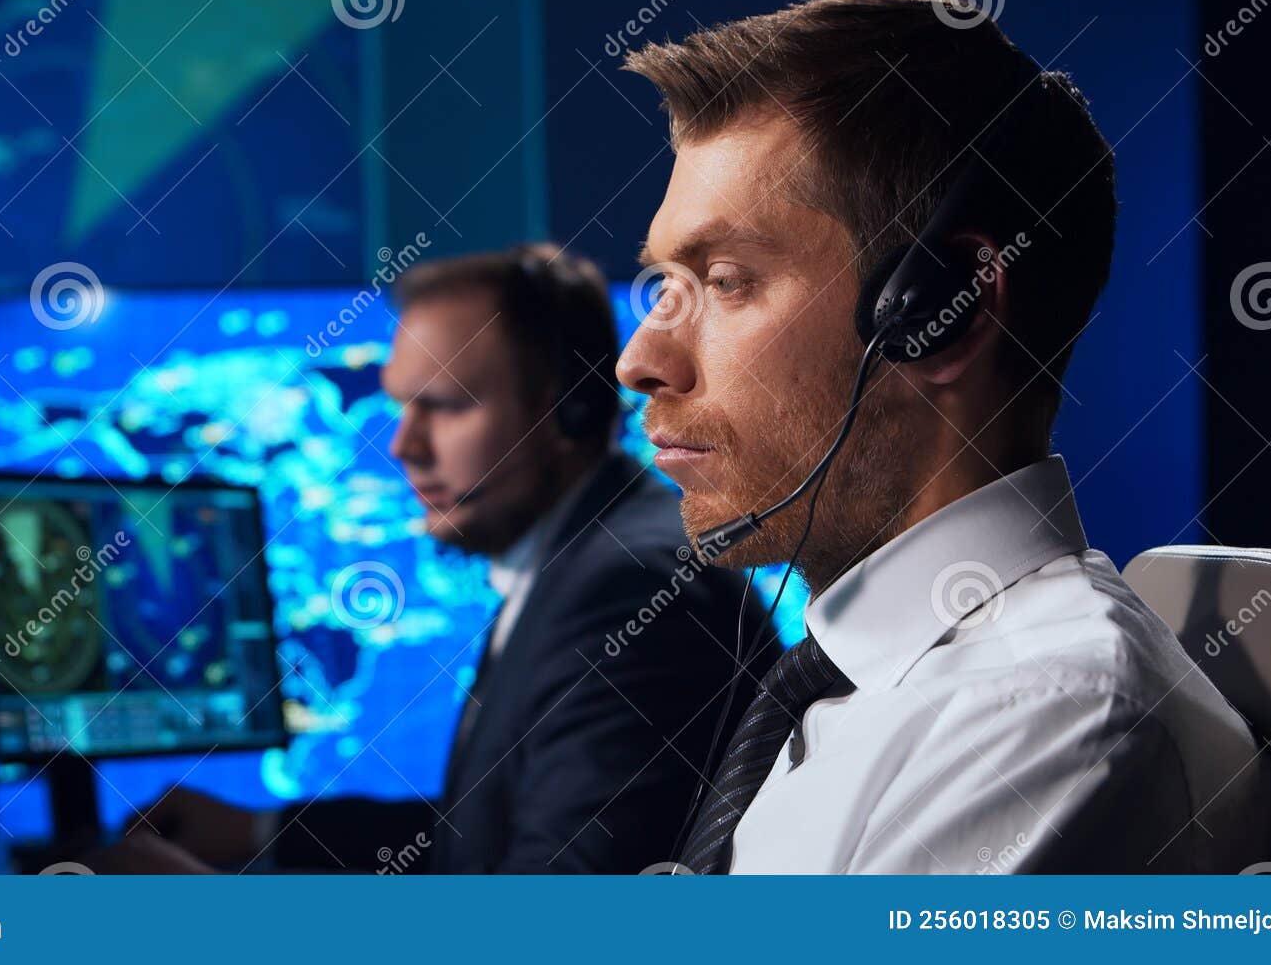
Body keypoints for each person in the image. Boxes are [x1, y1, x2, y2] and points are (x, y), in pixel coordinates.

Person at [614, 0, 1271, 873]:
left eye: (727, 280)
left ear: (940, 314)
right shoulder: (852, 677)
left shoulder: (1049, 721)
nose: (640, 359)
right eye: (663, 282)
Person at [100, 242, 775, 874]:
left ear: (568, 411)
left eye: (445, 407)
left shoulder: (631, 591)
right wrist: (260, 838)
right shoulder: (588, 555)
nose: (403, 446)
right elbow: (483, 834)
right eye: (401, 406)